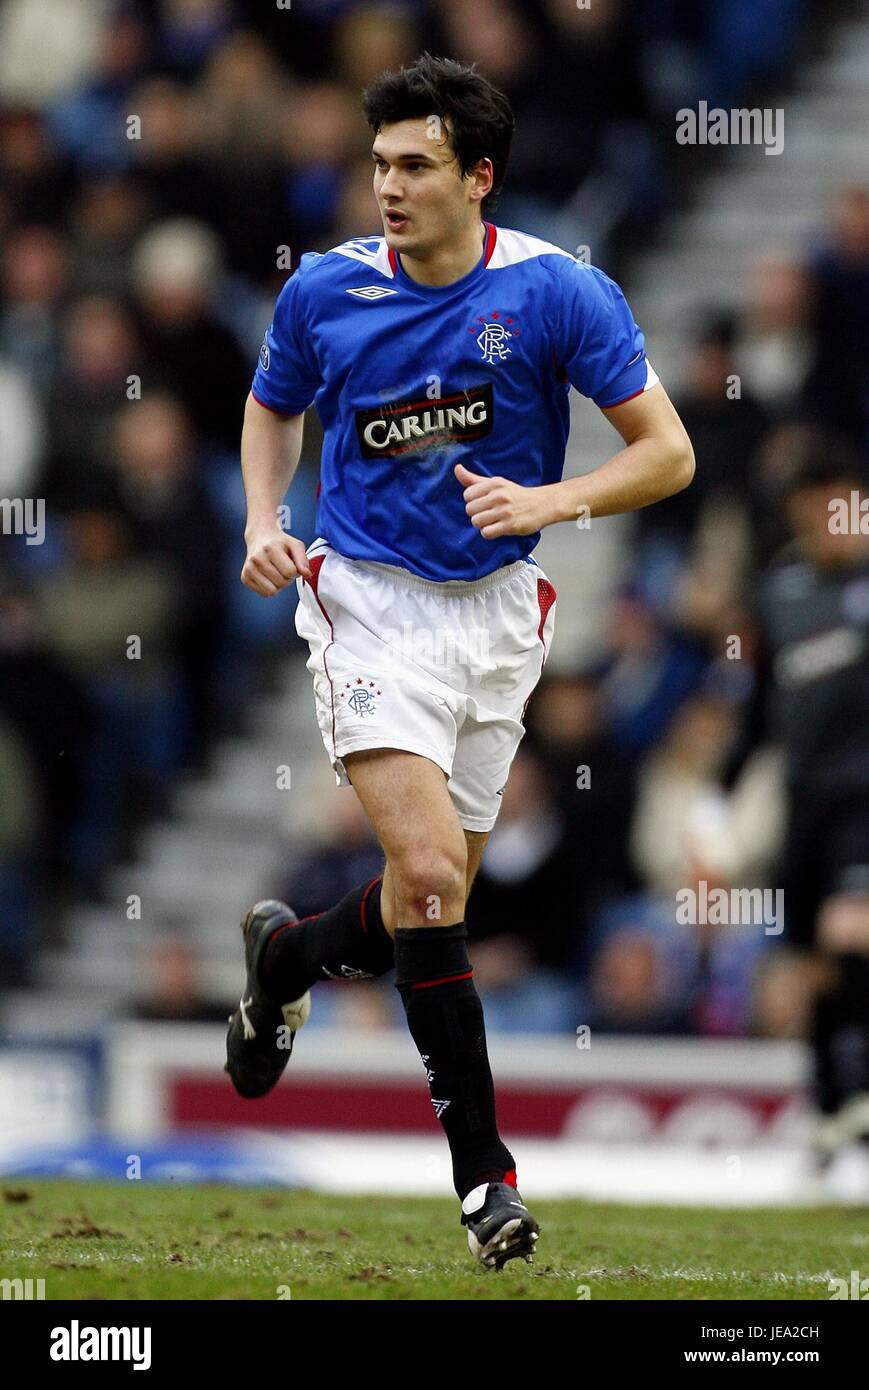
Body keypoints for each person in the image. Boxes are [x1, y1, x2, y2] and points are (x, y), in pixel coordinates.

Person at [225, 53, 694, 1269]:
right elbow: (274, 404)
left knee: (415, 912)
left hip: (496, 619)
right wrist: (262, 523)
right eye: (378, 162)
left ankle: (282, 959)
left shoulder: (555, 293)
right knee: (429, 874)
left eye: (415, 165)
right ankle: (487, 1183)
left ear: (476, 178)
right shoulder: (325, 292)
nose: (387, 186)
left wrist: (551, 497)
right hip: (368, 601)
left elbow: (666, 454)